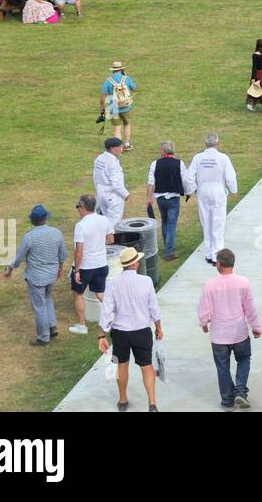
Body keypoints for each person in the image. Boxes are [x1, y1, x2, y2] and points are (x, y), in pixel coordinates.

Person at [98, 246, 163, 412]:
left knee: (121, 366)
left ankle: (122, 399)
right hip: (142, 331)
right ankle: (152, 403)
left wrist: (101, 335)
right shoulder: (146, 281)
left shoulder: (112, 284)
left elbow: (106, 311)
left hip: (120, 333)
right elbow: (154, 308)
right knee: (147, 366)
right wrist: (158, 328)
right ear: (135, 264)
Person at [198, 248, 262, 410]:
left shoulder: (210, 284)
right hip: (239, 333)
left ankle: (227, 400)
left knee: (222, 367)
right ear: (233, 263)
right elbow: (250, 308)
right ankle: (240, 390)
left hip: (219, 336)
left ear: (218, 264)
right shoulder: (243, 282)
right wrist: (255, 327)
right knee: (244, 359)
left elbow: (204, 309)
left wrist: (204, 323)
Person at [2, 205, 66, 346]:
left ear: (32, 221)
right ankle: (52, 326)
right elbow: (63, 254)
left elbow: (18, 258)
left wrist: (9, 268)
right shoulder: (56, 232)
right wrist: (59, 267)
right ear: (45, 218)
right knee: (47, 298)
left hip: (36, 278)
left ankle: (43, 337)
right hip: (51, 275)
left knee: (39, 306)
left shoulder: (29, 237)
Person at [185, 132, 239, 266]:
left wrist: (193, 189)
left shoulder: (198, 157)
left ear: (205, 144)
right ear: (218, 143)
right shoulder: (223, 158)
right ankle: (217, 255)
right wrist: (234, 190)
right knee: (218, 223)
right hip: (218, 190)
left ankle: (209, 254)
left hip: (203, 190)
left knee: (206, 222)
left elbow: (188, 176)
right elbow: (230, 177)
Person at [68, 194, 114, 334]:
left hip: (86, 267)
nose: (77, 210)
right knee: (100, 294)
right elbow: (110, 240)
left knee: (78, 294)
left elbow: (79, 251)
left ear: (83, 208)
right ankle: (115, 317)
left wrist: (76, 270)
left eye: (78, 207)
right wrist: (98, 242)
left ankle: (82, 325)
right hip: (101, 264)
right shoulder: (105, 220)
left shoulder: (81, 226)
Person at [146, 141, 186, 261]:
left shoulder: (155, 163)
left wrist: (148, 198)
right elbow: (185, 180)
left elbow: (151, 182)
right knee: (172, 224)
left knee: (165, 221)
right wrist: (188, 192)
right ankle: (169, 250)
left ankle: (167, 246)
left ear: (163, 151)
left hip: (160, 198)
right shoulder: (179, 163)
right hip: (173, 197)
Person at [100, 61, 138, 152]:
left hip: (113, 107)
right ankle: (127, 144)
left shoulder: (108, 80)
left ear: (113, 70)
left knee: (117, 128)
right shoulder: (126, 78)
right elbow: (135, 88)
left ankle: (118, 148)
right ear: (122, 69)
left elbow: (103, 96)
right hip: (126, 106)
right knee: (127, 124)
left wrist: (102, 106)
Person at [93, 136, 129, 226]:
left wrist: (98, 190)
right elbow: (116, 184)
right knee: (114, 223)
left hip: (101, 192)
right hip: (112, 195)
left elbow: (95, 176)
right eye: (119, 147)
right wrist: (125, 194)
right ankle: (111, 239)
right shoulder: (112, 162)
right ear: (112, 149)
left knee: (104, 220)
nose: (121, 149)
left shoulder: (99, 158)